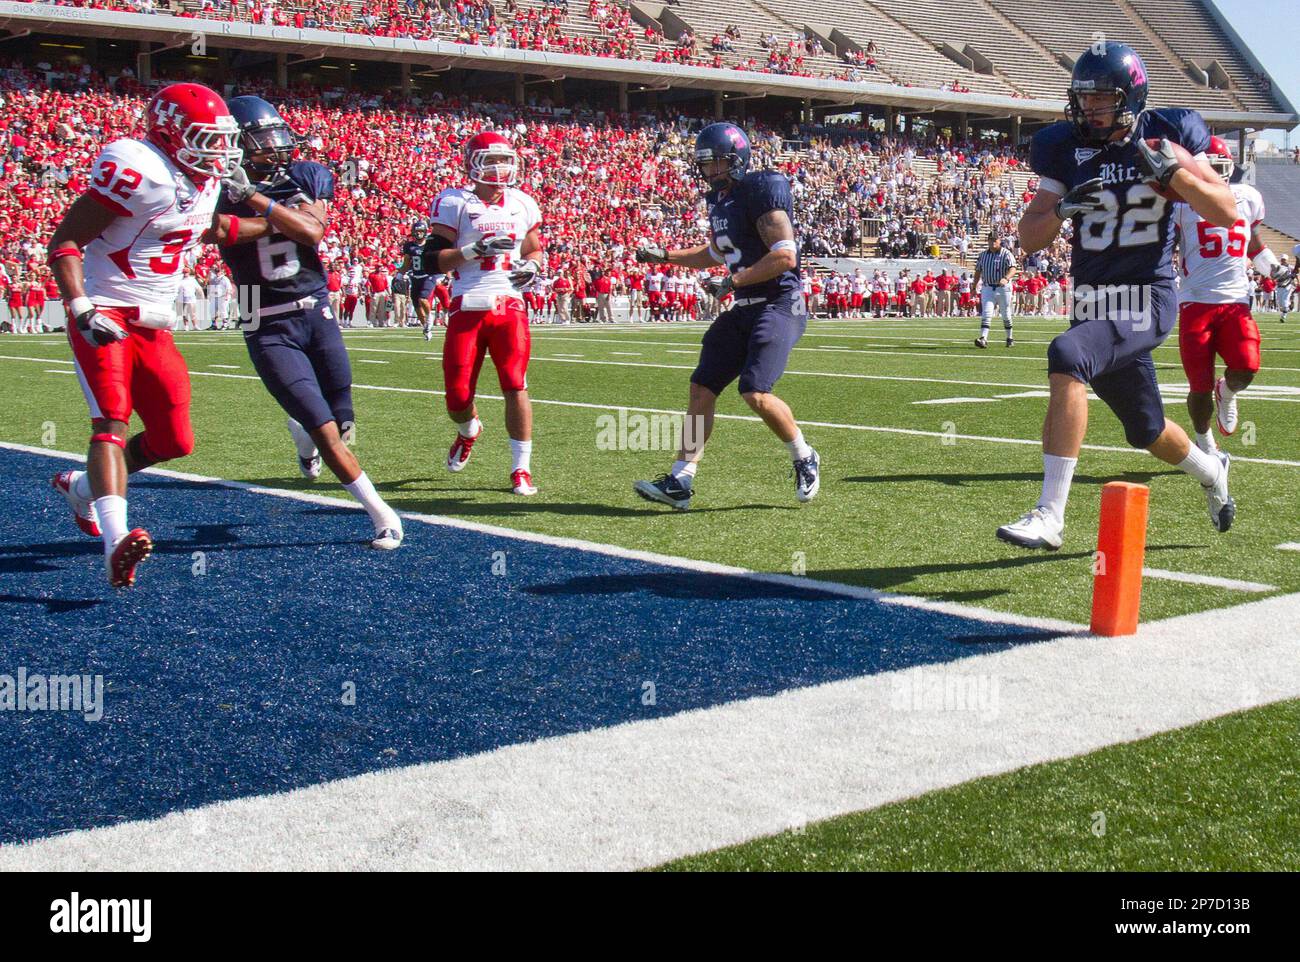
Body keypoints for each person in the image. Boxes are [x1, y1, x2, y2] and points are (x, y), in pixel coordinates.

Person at [997, 42, 1240, 550]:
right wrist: (1062, 209)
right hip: (1091, 300)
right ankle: (1210, 470)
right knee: (1146, 429)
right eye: (1083, 100)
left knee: (1067, 354)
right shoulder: (1064, 147)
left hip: (1145, 295)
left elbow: (1225, 211)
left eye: (1102, 99)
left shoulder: (1168, 136)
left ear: (1130, 96)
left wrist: (1173, 175)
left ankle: (1051, 514)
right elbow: (1028, 236)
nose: (1090, 109)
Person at [48, 82, 242, 587]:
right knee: (110, 418)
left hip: (155, 322)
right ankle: (116, 541)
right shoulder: (137, 169)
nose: (219, 150)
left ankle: (83, 488)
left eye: (222, 139)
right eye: (207, 138)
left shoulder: (203, 182)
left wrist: (284, 224)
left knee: (175, 440)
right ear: (170, 133)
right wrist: (81, 305)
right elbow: (66, 240)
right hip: (105, 310)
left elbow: (211, 229)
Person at [218, 95, 403, 549]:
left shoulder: (304, 173)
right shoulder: (211, 188)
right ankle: (382, 514)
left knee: (341, 420)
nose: (275, 148)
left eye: (276, 137)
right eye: (261, 142)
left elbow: (313, 231)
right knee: (326, 431)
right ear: (236, 147)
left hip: (315, 309)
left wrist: (253, 200)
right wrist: (279, 215)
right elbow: (225, 231)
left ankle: (301, 437)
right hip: (262, 318)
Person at [632, 122, 819, 510]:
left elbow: (785, 256)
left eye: (718, 163)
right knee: (702, 386)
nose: (712, 171)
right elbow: (716, 253)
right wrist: (665, 256)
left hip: (780, 301)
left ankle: (804, 455)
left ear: (738, 159)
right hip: (746, 302)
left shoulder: (761, 188)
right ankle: (681, 480)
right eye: (706, 164)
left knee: (755, 392)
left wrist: (734, 282)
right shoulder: (721, 203)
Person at [426, 130, 544, 496]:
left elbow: (535, 250)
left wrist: (534, 268)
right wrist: (474, 249)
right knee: (457, 396)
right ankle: (468, 430)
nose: (499, 167)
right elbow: (433, 259)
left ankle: (520, 469)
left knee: (515, 383)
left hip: (509, 302)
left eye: (505, 159)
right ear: (472, 163)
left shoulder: (523, 202)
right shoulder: (454, 201)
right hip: (467, 302)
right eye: (490, 160)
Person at [1173, 135, 1291, 453]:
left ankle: (1226, 392)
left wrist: (1271, 268)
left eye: (1219, 166)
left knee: (1247, 367)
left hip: (1235, 301)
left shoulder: (1247, 197)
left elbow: (1251, 242)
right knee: (1198, 385)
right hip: (1196, 300)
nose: (1214, 173)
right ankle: (1205, 443)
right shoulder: (1180, 203)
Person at [973, 232, 1017, 347]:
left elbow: (1013, 268)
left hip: (1003, 288)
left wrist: (1006, 278)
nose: (993, 242)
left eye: (995, 240)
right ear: (988, 241)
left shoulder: (1006, 253)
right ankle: (983, 338)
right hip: (988, 287)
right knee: (986, 312)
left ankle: (1009, 337)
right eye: (991, 240)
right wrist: (974, 286)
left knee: (1005, 313)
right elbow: (978, 271)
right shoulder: (983, 255)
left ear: (999, 241)